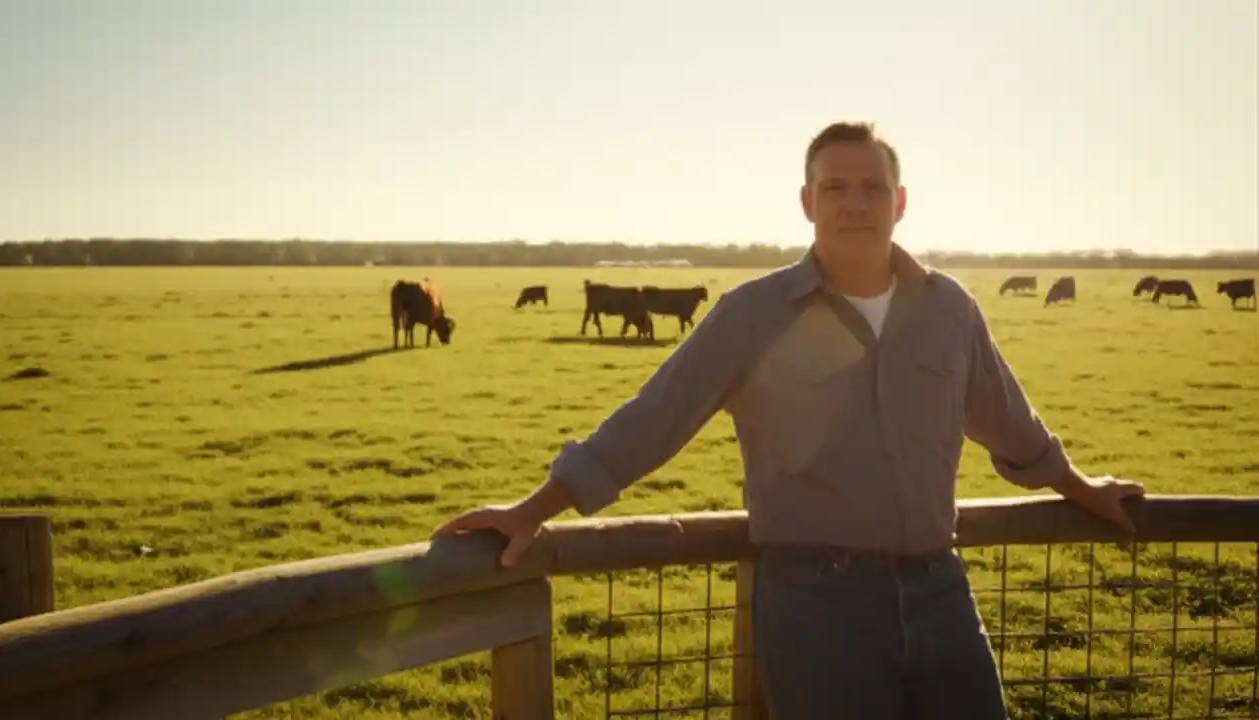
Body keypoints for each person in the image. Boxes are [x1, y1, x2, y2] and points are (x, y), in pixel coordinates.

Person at [432, 120, 1145, 718]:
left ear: (901, 201)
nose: (855, 204)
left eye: (872, 188)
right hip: (816, 606)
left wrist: (1085, 491)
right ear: (807, 202)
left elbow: (1009, 422)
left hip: (939, 592)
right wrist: (535, 508)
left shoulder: (948, 308)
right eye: (835, 187)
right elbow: (656, 418)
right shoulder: (753, 314)